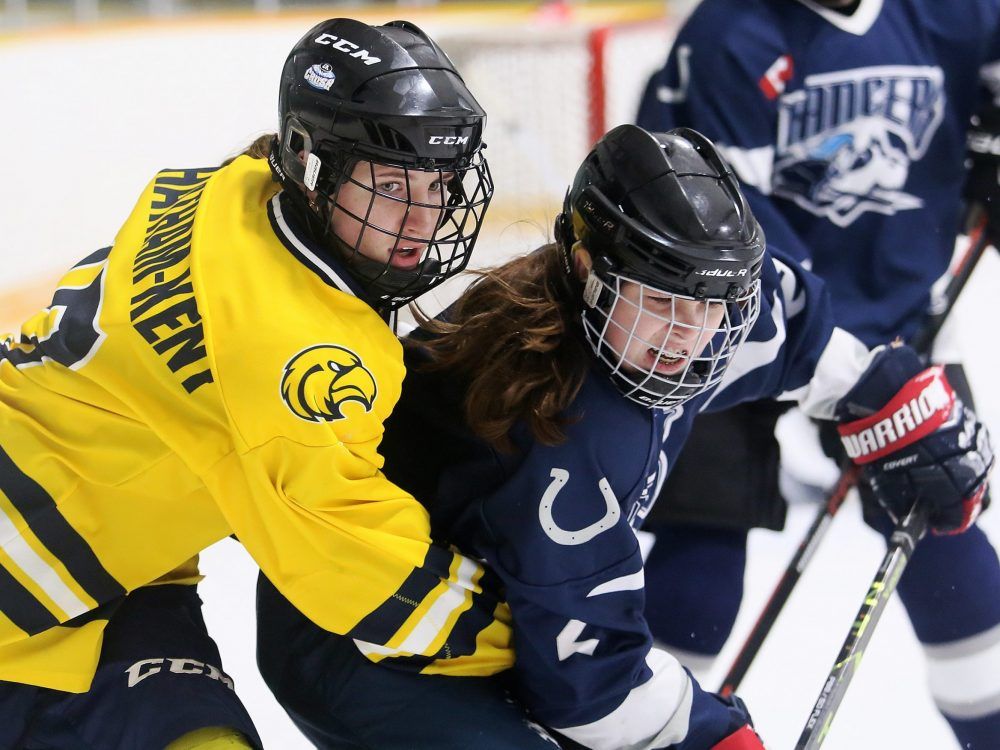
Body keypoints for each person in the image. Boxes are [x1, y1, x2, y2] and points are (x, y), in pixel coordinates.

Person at [256, 124, 992, 749]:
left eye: (710, 304)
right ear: (585, 270)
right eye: (661, 304)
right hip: (355, 634)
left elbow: (789, 324)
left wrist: (882, 393)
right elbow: (588, 684)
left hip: (502, 593)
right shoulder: (556, 428)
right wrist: (711, 734)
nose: (691, 337)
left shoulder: (689, 303)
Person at [0, 17, 504, 750]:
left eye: (439, 184)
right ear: (311, 163)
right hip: (30, 586)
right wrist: (518, 638)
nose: (422, 220)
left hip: (117, 571)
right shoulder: (294, 355)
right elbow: (351, 564)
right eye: (392, 185)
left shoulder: (233, 188)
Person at [635, 0, 1000, 746]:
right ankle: (648, 731)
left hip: (902, 311)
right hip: (721, 315)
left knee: (940, 513)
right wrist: (848, 368)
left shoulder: (954, 11)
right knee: (703, 533)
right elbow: (736, 239)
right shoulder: (729, 35)